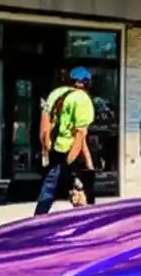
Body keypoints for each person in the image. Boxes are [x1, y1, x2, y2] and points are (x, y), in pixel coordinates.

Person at [34, 67, 96, 215]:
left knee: (50, 185)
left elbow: (44, 123)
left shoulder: (56, 93)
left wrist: (45, 147)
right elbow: (80, 133)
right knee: (83, 187)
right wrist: (72, 159)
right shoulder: (82, 99)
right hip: (71, 150)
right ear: (86, 82)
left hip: (54, 147)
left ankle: (39, 217)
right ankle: (87, 217)